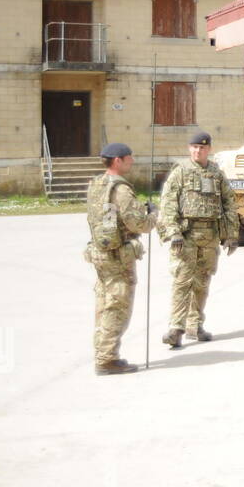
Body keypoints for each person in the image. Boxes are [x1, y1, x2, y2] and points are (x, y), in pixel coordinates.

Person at [158, 131, 238, 348]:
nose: (197, 151)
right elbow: (168, 203)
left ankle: (195, 325)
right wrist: (173, 231)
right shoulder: (180, 172)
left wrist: (231, 235)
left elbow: (229, 203)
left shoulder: (216, 173)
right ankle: (176, 328)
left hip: (210, 236)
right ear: (189, 148)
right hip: (186, 235)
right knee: (182, 281)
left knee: (203, 282)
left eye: (202, 148)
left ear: (208, 149)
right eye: (194, 147)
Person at [85, 143, 157, 375]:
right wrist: (153, 214)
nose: (132, 161)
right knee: (117, 307)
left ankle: (104, 353)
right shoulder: (121, 189)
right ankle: (106, 359)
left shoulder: (97, 184)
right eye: (129, 158)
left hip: (100, 252)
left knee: (104, 304)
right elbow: (139, 224)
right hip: (117, 257)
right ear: (117, 160)